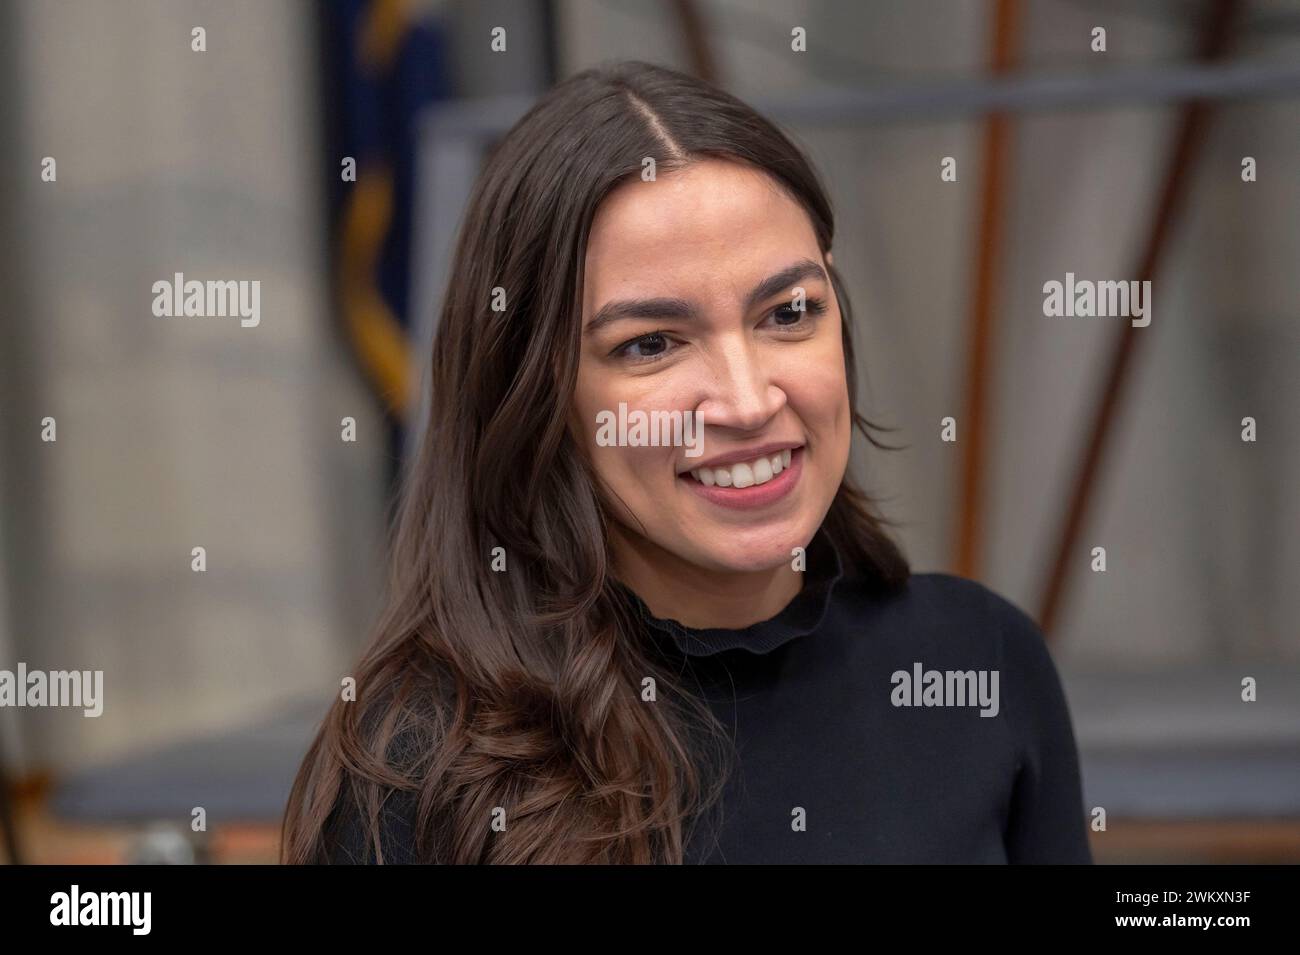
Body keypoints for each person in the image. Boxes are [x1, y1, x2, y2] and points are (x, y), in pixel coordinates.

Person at [280, 60, 1092, 864]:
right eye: (652, 344)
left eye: (787, 313)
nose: (744, 401)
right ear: (537, 390)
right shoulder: (414, 772)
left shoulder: (977, 662)